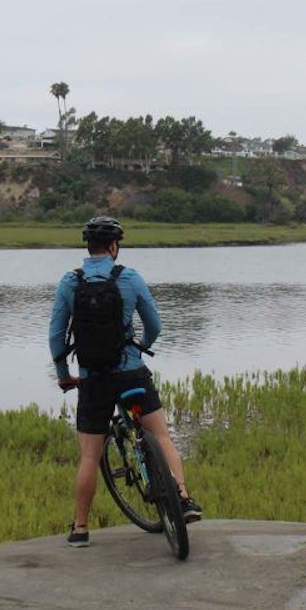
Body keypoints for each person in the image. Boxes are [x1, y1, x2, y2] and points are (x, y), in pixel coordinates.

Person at [47, 215, 202, 548]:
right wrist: (139, 347)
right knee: (161, 436)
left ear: (88, 247)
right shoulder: (130, 277)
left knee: (90, 456)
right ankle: (184, 498)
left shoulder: (69, 282)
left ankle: (80, 527)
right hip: (131, 372)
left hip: (93, 379)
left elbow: (56, 336)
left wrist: (64, 377)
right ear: (114, 247)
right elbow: (156, 325)